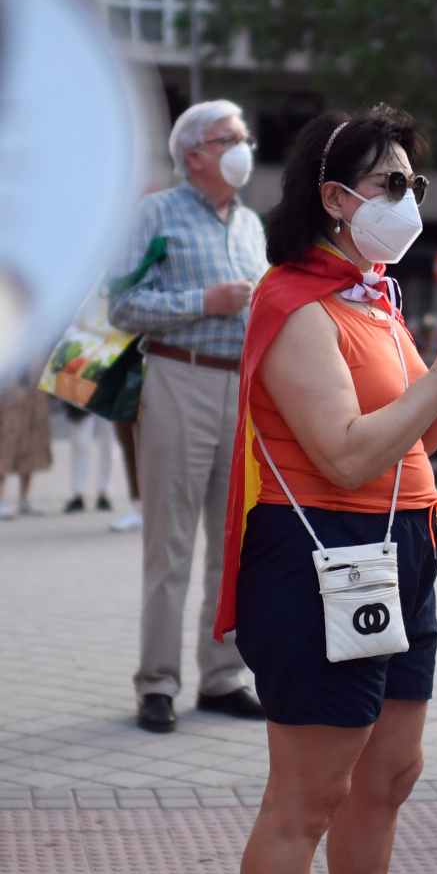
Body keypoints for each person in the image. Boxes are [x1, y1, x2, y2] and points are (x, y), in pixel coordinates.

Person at [209, 106, 437, 874]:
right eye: (392, 184)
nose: (409, 199)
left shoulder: (368, 295)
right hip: (322, 561)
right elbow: (344, 457)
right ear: (337, 198)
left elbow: (416, 440)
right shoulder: (294, 301)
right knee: (306, 798)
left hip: (399, 550)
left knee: (388, 772)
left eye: (416, 185)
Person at [108, 99, 269, 732]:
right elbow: (121, 304)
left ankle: (223, 676)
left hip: (243, 389)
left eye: (244, 135)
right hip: (179, 377)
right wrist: (205, 300)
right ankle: (158, 683)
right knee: (169, 544)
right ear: (193, 154)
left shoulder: (251, 224)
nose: (243, 146)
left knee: (235, 546)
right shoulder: (156, 212)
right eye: (230, 137)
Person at [0, 360, 52, 517]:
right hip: (9, 384)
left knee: (32, 437)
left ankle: (25, 497)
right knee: (6, 439)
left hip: (34, 380)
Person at [63, 406, 113, 512]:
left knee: (108, 445)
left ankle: (104, 491)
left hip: (109, 395)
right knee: (80, 444)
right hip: (83, 395)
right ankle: (78, 492)